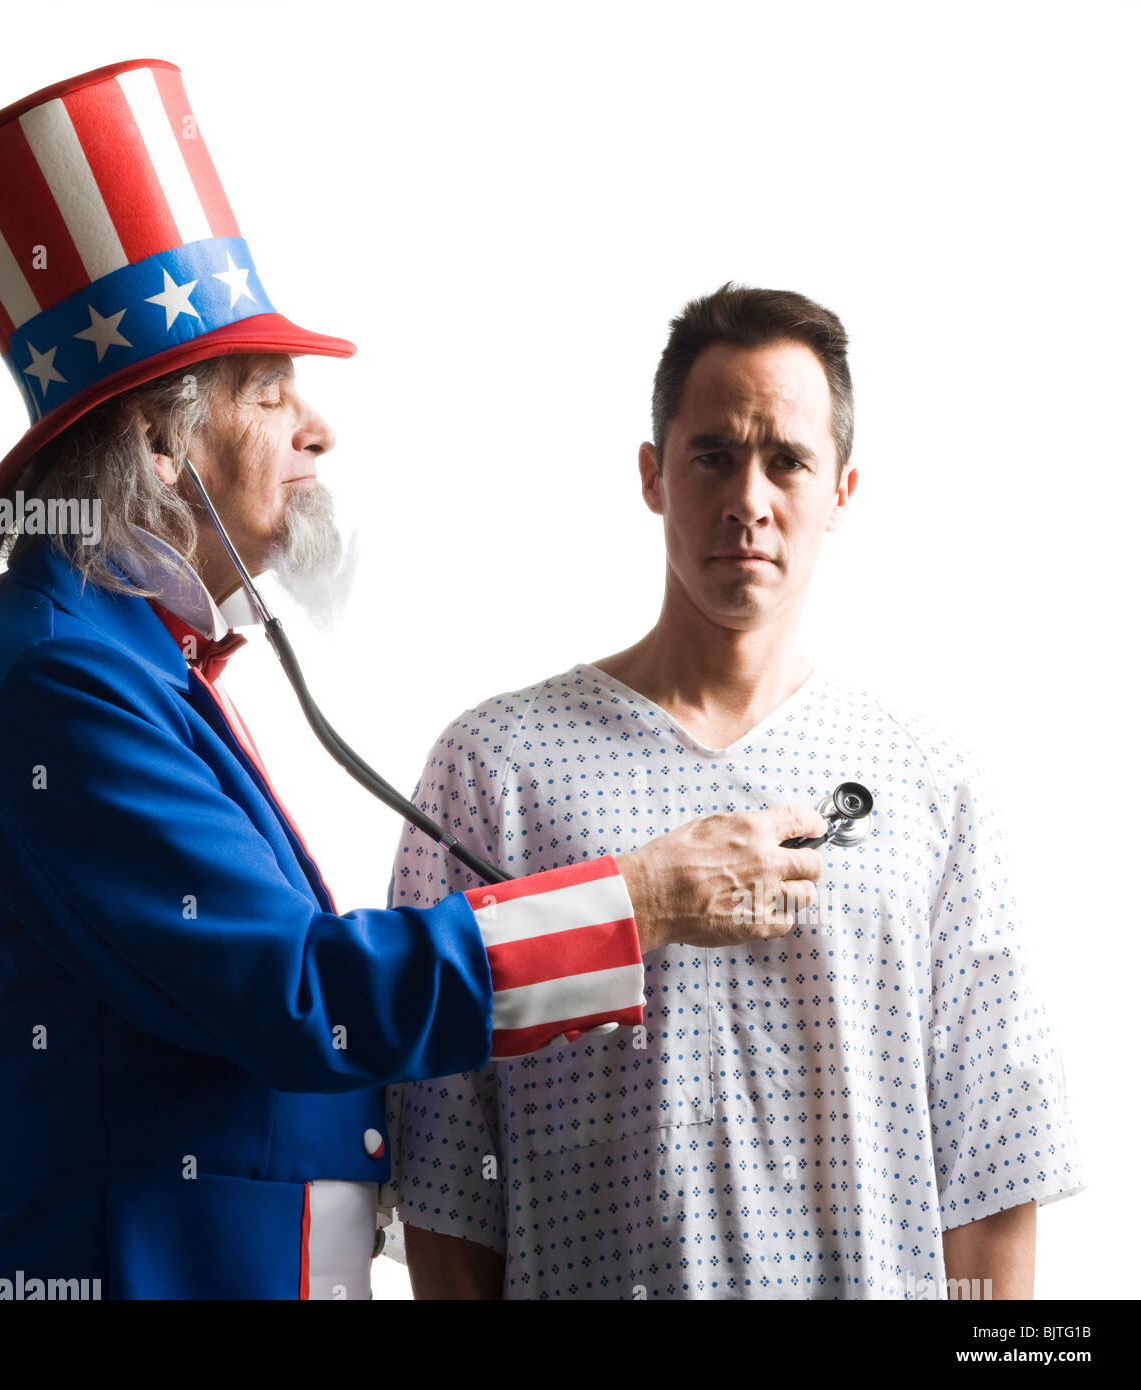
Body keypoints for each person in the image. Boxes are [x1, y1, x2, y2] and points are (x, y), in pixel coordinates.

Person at [0, 64, 828, 1300]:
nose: (315, 430)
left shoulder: (119, 655)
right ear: (164, 441)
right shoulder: (64, 683)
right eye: (270, 393)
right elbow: (303, 992)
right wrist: (643, 895)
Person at [386, 283, 1084, 1300]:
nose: (747, 497)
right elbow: (448, 1164)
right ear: (652, 475)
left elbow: (990, 1162)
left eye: (787, 459)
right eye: (712, 452)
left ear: (841, 490)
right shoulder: (496, 770)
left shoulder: (930, 786)